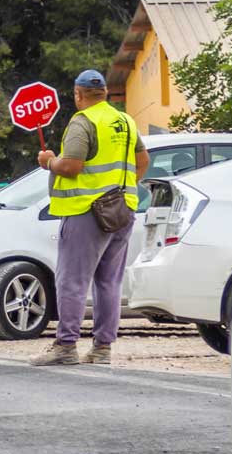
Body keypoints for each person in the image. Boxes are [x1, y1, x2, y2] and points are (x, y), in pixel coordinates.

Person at [30, 69, 148, 367]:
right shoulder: (125, 120)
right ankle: (102, 348)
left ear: (78, 94)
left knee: (72, 280)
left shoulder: (83, 122)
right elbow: (143, 160)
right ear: (105, 93)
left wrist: (48, 162)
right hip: (122, 210)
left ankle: (66, 346)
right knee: (109, 281)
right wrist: (121, 190)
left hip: (87, 211)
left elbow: (71, 166)